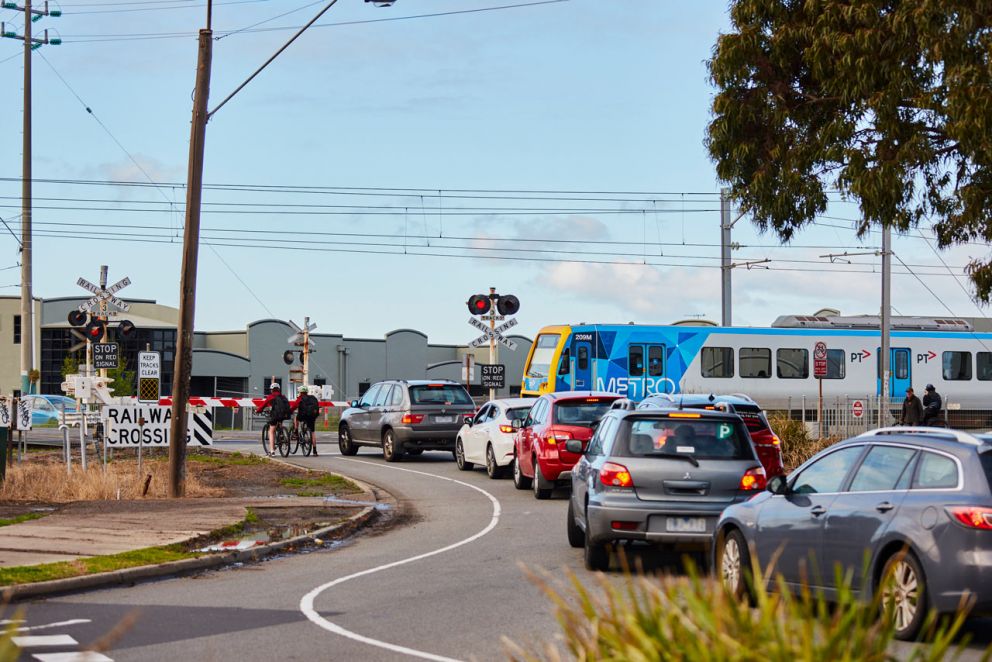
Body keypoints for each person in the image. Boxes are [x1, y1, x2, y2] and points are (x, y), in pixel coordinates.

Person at [256, 383, 291, 456]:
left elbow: (263, 405)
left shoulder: (270, 397)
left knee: (271, 431)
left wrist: (258, 411)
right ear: (279, 389)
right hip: (284, 415)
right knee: (280, 422)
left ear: (271, 390)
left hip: (275, 415)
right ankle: (281, 435)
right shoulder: (283, 396)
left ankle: (272, 451)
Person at [291, 386, 321, 455]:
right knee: (312, 432)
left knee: (296, 418)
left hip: (303, 415)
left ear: (300, 392)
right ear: (307, 392)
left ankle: (295, 431)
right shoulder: (313, 398)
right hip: (312, 416)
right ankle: (315, 451)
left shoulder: (300, 398)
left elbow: (294, 406)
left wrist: (289, 411)